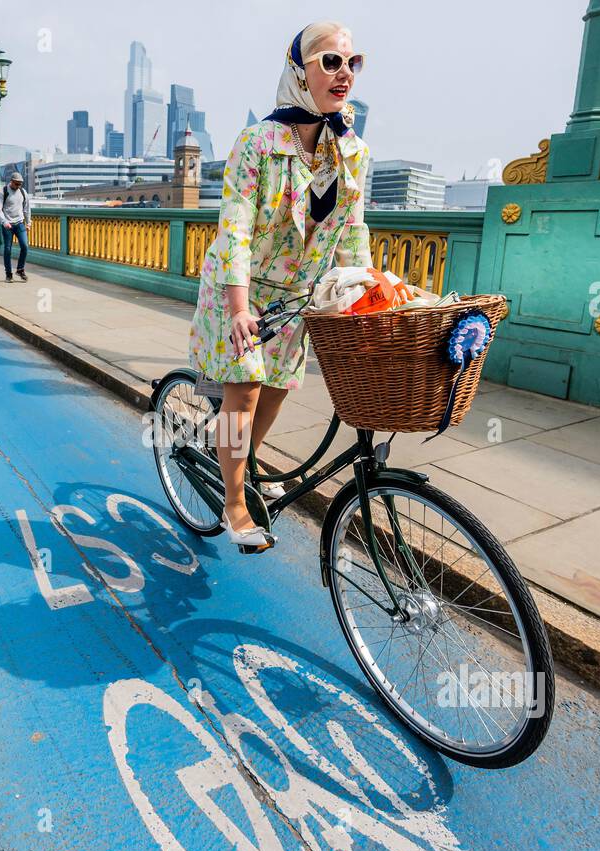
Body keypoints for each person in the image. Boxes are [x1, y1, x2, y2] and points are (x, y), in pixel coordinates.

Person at [188, 21, 370, 551]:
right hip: (241, 289)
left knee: (277, 390)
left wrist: (364, 296)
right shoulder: (258, 143)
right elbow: (236, 226)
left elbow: (353, 232)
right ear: (299, 70)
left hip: (299, 296)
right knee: (242, 392)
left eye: (351, 63)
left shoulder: (350, 151)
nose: (343, 74)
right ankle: (235, 501)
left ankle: (237, 459)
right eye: (330, 62)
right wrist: (240, 307)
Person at [0, 171, 30, 282]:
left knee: (25, 246)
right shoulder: (3, 191)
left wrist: (28, 222)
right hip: (7, 225)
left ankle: (20, 269)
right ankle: (8, 274)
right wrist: (4, 222)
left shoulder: (23, 192)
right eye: (16, 184)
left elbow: (26, 209)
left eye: (20, 184)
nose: (18, 186)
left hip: (19, 223)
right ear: (11, 181)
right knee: (8, 249)